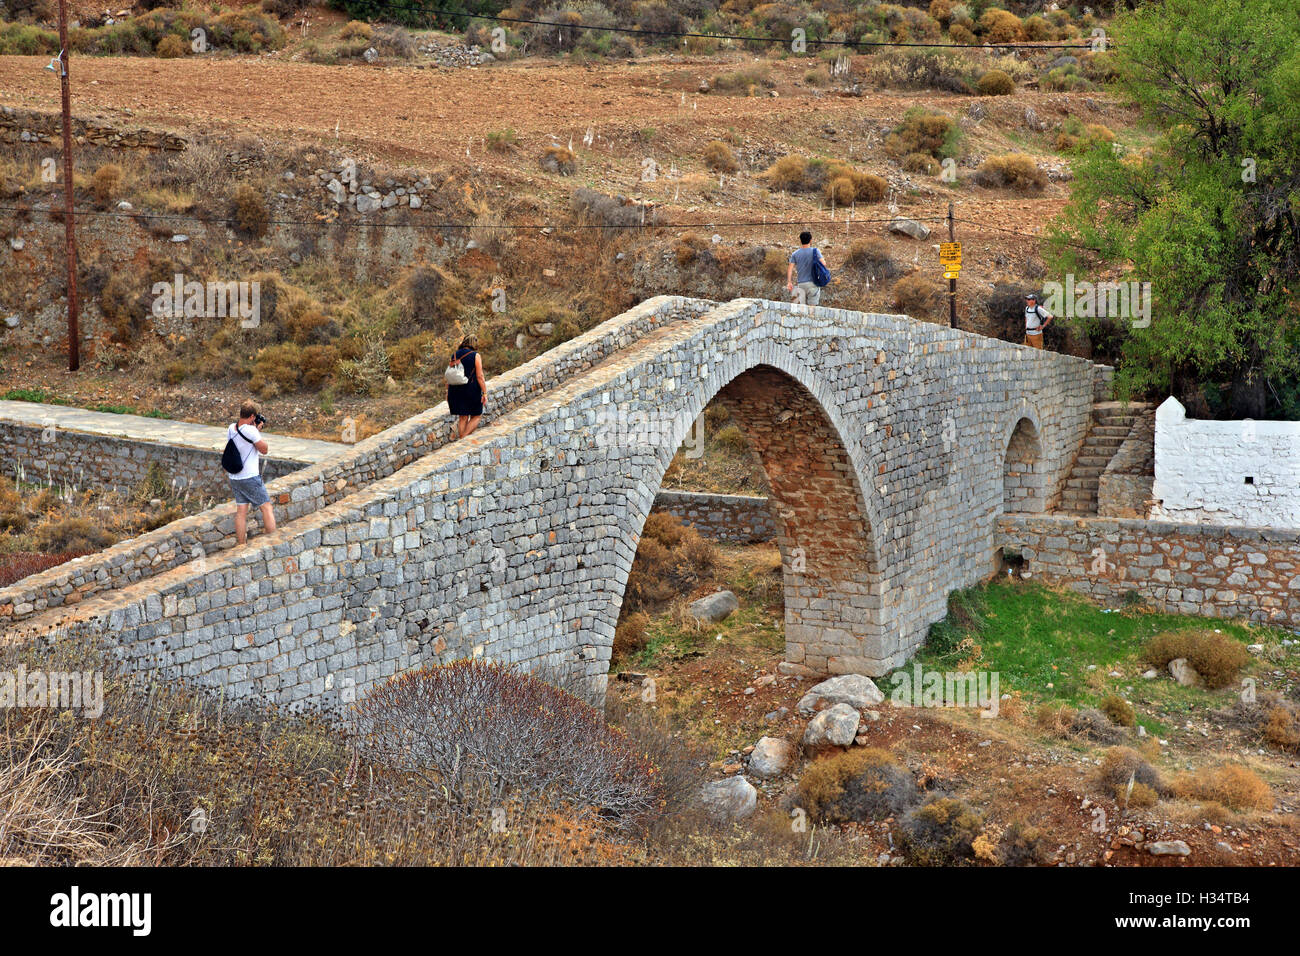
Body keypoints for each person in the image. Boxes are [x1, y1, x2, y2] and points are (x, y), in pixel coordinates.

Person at [226, 400, 276, 545]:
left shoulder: (231, 428)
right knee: (267, 507)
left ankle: (241, 544)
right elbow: (264, 449)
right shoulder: (251, 431)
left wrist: (255, 431)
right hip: (250, 477)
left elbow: (243, 444)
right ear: (253, 416)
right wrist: (257, 431)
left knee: (241, 511)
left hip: (235, 477)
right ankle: (273, 542)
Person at [447, 334, 487, 440]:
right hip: (470, 390)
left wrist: (447, 391)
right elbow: (480, 376)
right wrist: (485, 392)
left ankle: (461, 439)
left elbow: (451, 374)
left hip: (455, 389)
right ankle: (463, 438)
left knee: (463, 417)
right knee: (477, 415)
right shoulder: (475, 355)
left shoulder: (454, 355)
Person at [786, 231, 829, 306]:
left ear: (800, 240)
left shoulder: (795, 254)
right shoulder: (815, 251)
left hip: (801, 284)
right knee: (812, 309)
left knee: (802, 309)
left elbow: (790, 269)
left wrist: (789, 282)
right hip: (812, 284)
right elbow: (824, 264)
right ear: (810, 240)